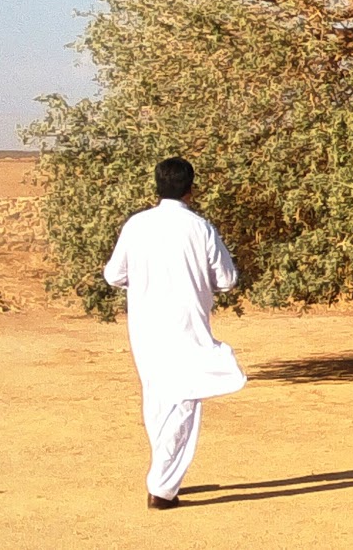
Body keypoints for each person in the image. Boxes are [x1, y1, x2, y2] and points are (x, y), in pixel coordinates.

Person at [102, 157, 246, 511]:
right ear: (190, 189)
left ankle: (163, 474)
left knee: (158, 398)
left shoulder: (137, 225)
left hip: (145, 327)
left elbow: (113, 275)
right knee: (184, 398)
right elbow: (227, 280)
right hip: (187, 324)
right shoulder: (201, 228)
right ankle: (163, 488)